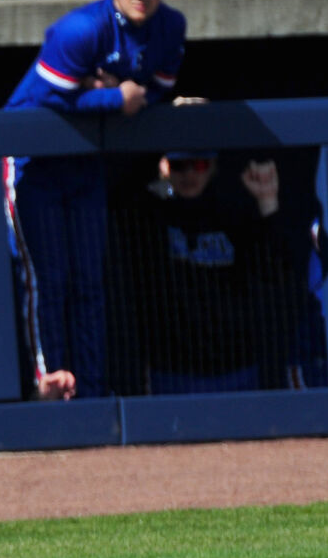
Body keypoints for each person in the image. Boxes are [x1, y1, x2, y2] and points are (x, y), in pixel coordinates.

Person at [4, 0, 187, 402]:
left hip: (86, 160)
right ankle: (49, 382)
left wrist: (120, 96)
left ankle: (89, 386)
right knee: (46, 279)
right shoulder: (79, 29)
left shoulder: (170, 27)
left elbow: (158, 90)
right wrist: (114, 97)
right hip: (32, 161)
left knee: (88, 279)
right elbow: (47, 98)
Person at [118, 152, 291, 394]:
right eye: (179, 165)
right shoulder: (150, 214)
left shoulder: (234, 212)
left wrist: (267, 203)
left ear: (212, 166)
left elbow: (274, 270)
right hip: (173, 374)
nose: (189, 174)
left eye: (198, 164)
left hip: (237, 371)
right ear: (166, 166)